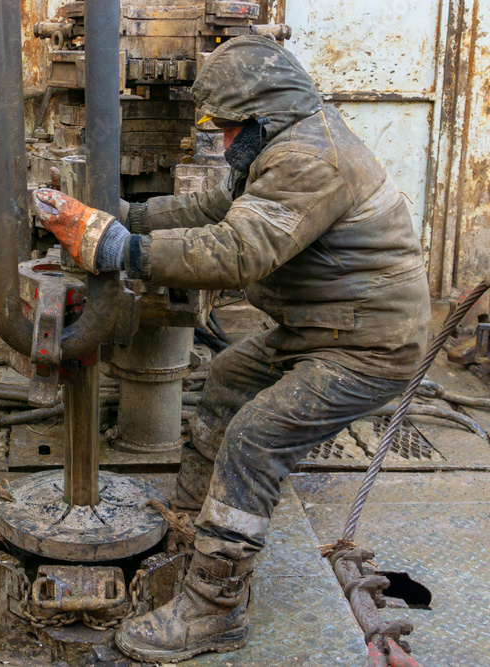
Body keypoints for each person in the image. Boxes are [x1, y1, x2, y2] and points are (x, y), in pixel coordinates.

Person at [33, 35, 430, 663]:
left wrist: (119, 249)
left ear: (263, 113)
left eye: (226, 125)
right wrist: (125, 216)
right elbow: (217, 206)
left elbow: (238, 251)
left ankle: (214, 609)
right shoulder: (287, 141)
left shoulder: (312, 159)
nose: (219, 137)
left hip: (366, 348)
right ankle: (192, 527)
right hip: (323, 329)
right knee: (230, 373)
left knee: (255, 438)